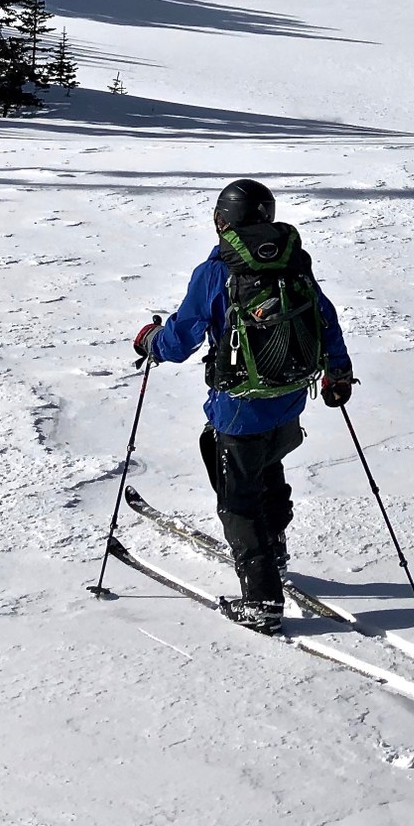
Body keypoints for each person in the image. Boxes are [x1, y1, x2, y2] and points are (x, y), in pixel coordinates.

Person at [132, 178, 354, 635]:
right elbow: (325, 319)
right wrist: (338, 373)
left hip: (239, 407)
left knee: (239, 501)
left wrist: (152, 341)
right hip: (290, 399)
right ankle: (274, 551)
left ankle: (262, 601)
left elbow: (180, 338)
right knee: (267, 469)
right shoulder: (294, 266)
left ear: (221, 222)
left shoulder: (215, 272)